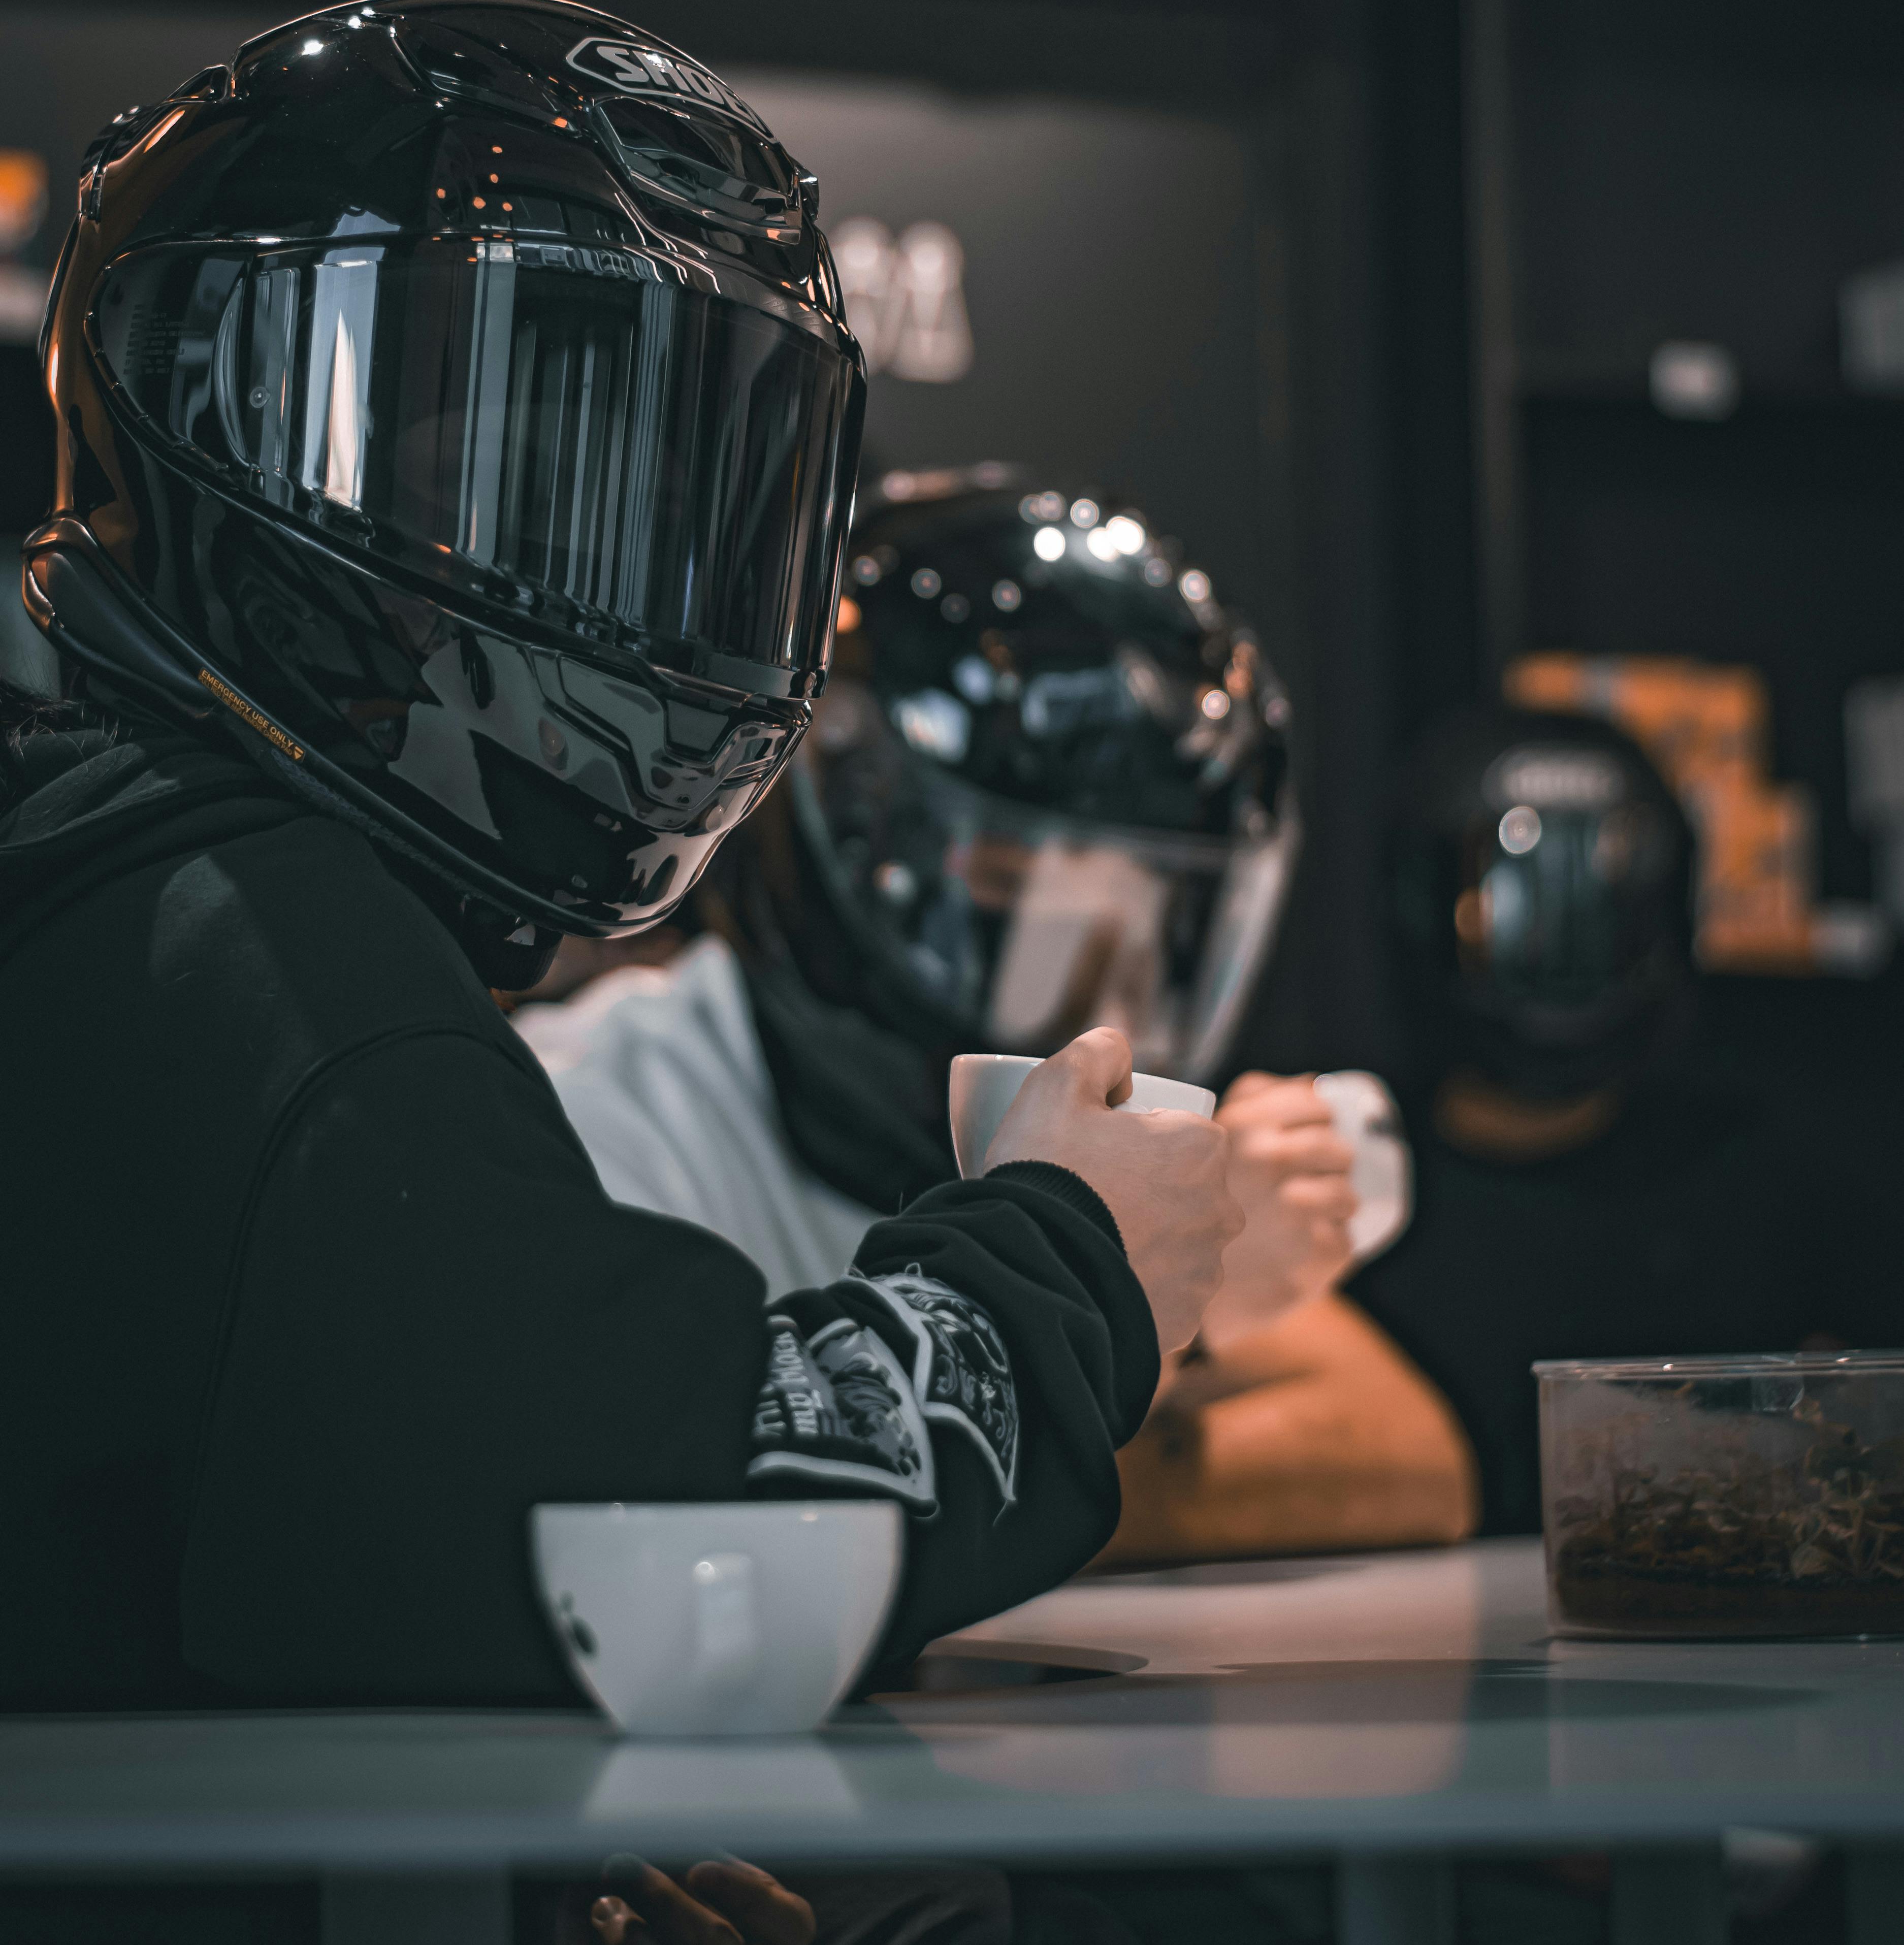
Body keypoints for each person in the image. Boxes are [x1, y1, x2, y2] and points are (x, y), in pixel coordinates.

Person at [0, 0, 1247, 1945]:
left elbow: (357, 1555)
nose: (625, 579)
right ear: (234, 409)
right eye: (523, 475)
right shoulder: (240, 951)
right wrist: (1071, 1246)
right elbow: (686, 1512)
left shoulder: (118, 865)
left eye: (677, 491)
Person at [514, 466, 1475, 1568]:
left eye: (1148, 944)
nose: (1104, 1020)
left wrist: (1021, 1464)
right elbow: (694, 1529)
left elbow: (1406, 1444)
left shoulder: (1072, 1146)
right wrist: (1122, 1387)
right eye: (1029, 918)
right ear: (860, 865)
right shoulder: (599, 1126)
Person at [1346, 702, 1904, 1535]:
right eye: (1515, 908)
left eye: (1597, 904)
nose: (1558, 954)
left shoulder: (1779, 1186)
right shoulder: (1331, 1184)